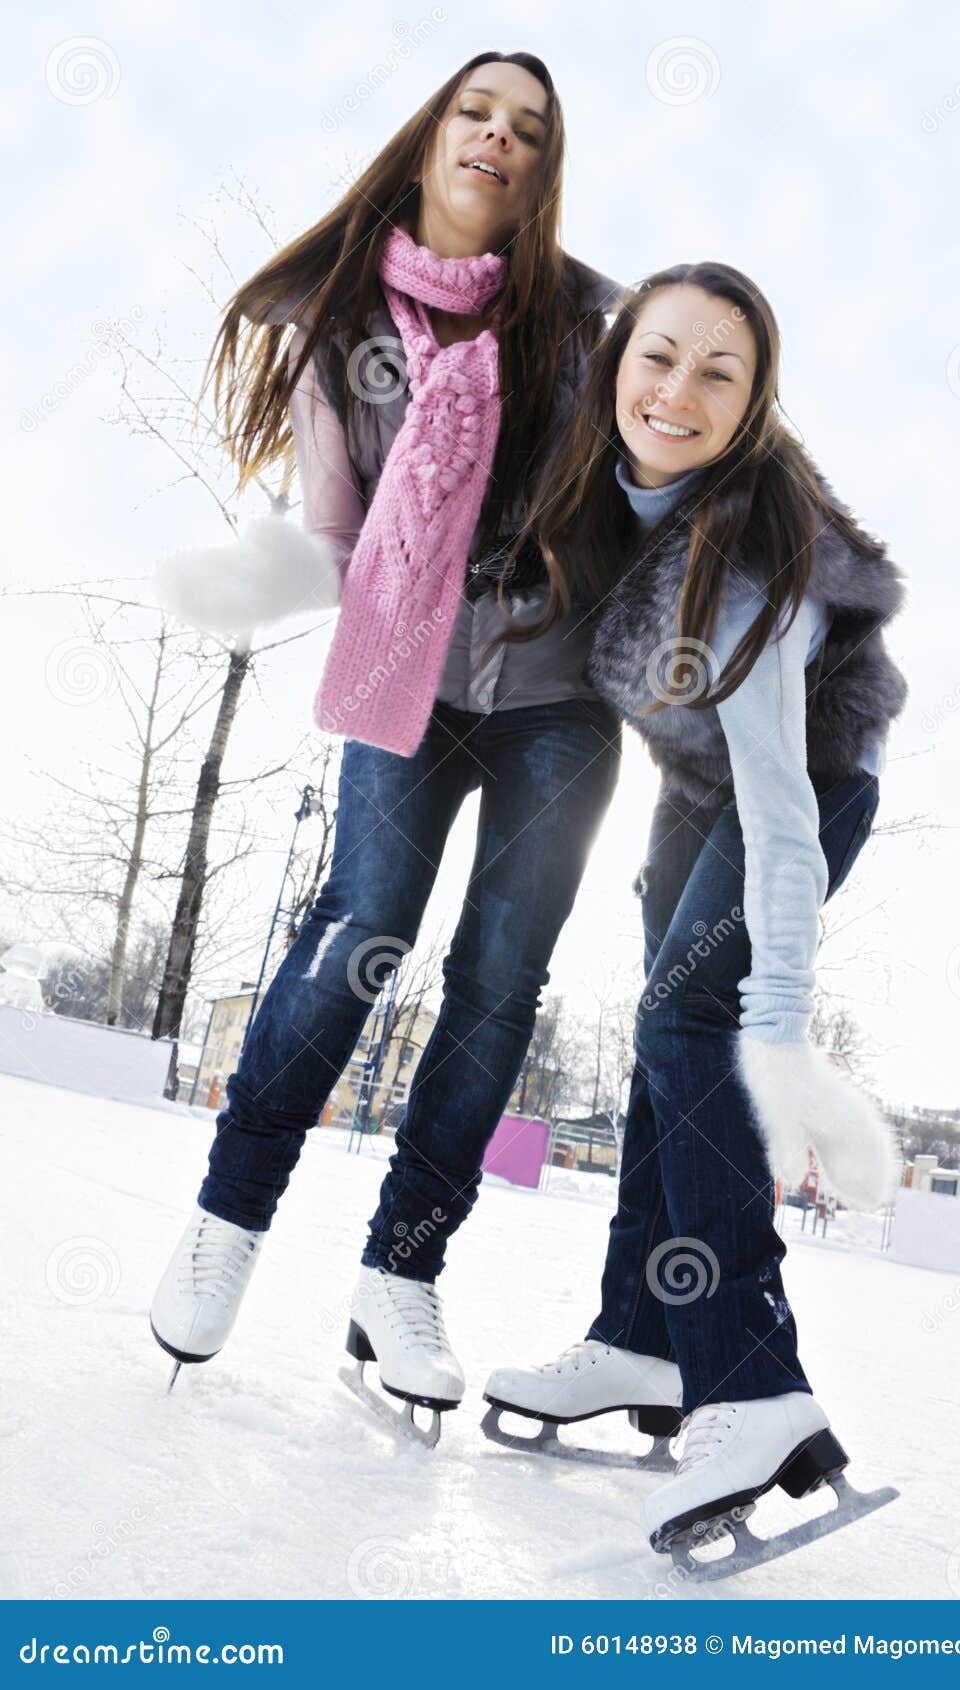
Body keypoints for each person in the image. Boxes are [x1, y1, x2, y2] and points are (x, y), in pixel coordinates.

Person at [149, 52, 622, 1425]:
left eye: (529, 129)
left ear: (543, 170)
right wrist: (259, 578)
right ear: (430, 139)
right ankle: (229, 1220)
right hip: (405, 673)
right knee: (361, 926)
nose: (500, 137)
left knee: (500, 978)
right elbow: (338, 535)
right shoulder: (340, 325)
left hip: (560, 691)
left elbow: (657, 473)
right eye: (478, 112)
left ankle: (400, 1274)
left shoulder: (587, 321)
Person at [482, 262, 908, 1554]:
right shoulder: (594, 471)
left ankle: (752, 1380)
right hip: (691, 778)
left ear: (754, 403)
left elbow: (782, 802)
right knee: (662, 1065)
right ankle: (640, 1340)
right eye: (657, 356)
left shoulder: (748, 547)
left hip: (801, 782)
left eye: (718, 373)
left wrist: (776, 1011)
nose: (677, 392)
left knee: (689, 1025)